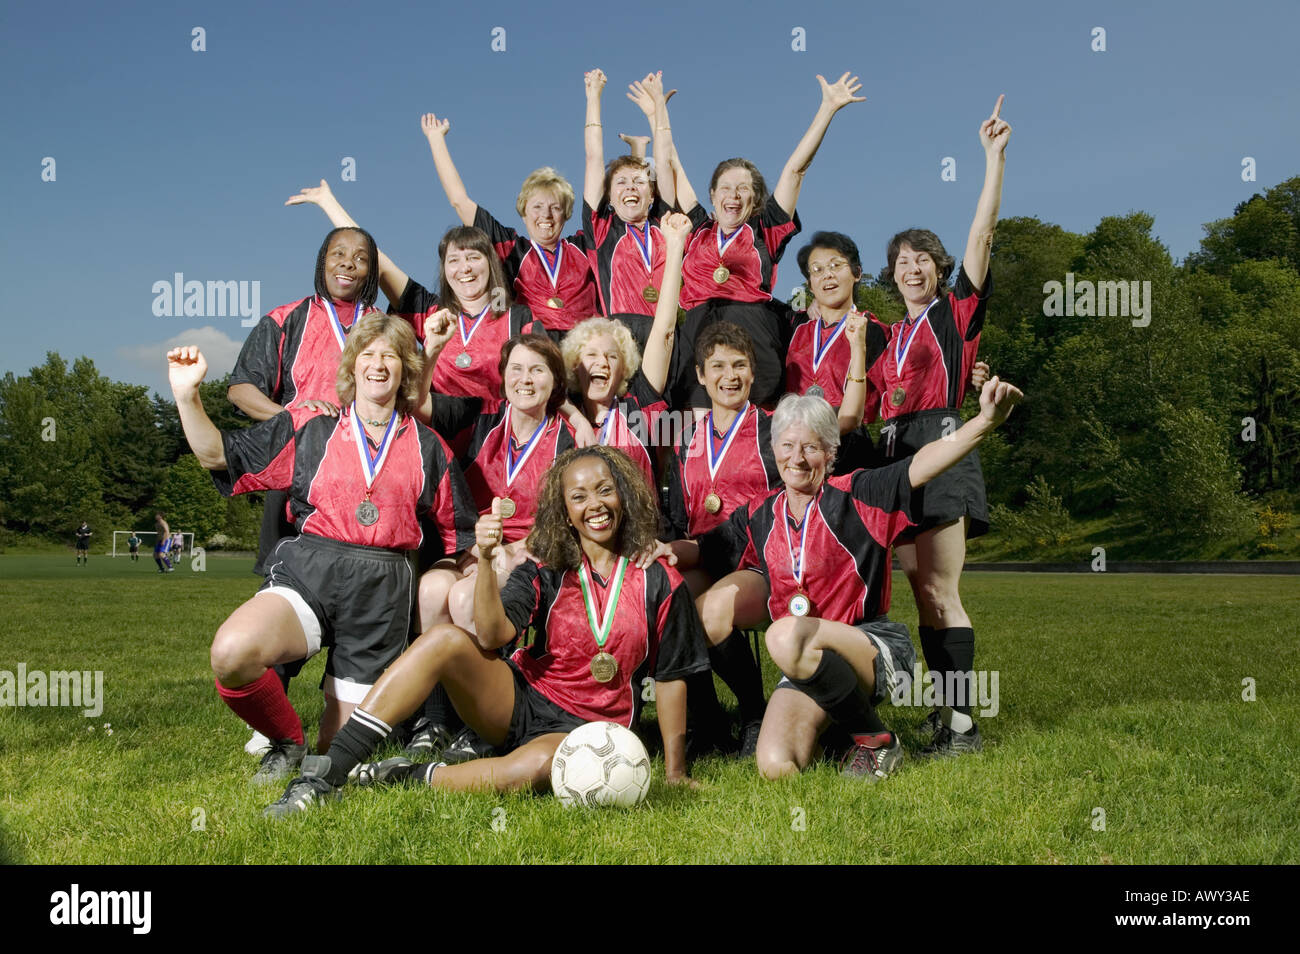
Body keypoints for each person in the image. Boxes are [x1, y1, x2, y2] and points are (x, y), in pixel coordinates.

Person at [263, 445, 708, 817]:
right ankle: (326, 772)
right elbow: (493, 635)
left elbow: (671, 678)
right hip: (523, 699)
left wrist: (674, 770)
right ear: (566, 512)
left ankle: (402, 774)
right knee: (444, 640)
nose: (594, 504)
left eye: (605, 490)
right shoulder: (545, 569)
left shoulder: (659, 581)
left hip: (590, 726)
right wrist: (491, 560)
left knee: (537, 765)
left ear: (624, 497)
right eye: (579, 496)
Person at [168, 313, 475, 785]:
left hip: (381, 589)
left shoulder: (431, 448)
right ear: (352, 367)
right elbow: (217, 455)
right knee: (232, 654)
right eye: (368, 354)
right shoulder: (308, 426)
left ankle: (336, 739)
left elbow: (462, 535)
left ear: (406, 370)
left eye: (390, 356)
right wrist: (187, 396)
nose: (378, 364)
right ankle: (288, 743)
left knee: (338, 754)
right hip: (311, 568)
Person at [694, 378, 1022, 781]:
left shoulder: (858, 493)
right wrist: (657, 552)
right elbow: (705, 549)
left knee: (782, 635)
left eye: (811, 447)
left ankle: (878, 740)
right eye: (787, 445)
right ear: (774, 449)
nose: (797, 458)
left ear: (830, 454)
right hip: (806, 660)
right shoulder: (760, 512)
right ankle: (838, 732)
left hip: (872, 647)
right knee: (776, 766)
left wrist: (983, 422)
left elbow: (922, 464)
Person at [868, 95, 1011, 756]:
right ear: (892, 274)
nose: (913, 266)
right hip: (896, 461)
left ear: (940, 267)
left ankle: (964, 724)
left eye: (923, 257)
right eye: (902, 260)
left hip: (944, 448)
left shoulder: (955, 319)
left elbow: (982, 236)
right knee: (921, 592)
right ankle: (945, 713)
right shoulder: (888, 338)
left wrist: (992, 159)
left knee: (944, 591)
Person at [669, 72, 866, 410]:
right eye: (726, 188)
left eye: (743, 188)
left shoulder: (766, 229)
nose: (734, 194)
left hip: (754, 337)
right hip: (697, 337)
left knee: (757, 436)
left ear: (755, 198)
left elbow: (795, 171)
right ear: (712, 195)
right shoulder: (697, 227)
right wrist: (659, 114)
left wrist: (827, 109)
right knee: (698, 437)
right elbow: (672, 168)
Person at [286, 180, 542, 405]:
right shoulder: (430, 312)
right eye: (453, 260)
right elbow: (378, 261)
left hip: (499, 442)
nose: (464, 268)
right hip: (438, 437)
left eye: (474, 257)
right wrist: (327, 202)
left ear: (491, 263)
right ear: (444, 270)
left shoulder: (519, 319)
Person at [421, 113, 598, 333]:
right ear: (523, 211)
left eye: (555, 207)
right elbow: (459, 201)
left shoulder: (582, 247)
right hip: (534, 353)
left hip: (584, 352)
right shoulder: (511, 248)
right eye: (537, 207)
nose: (546, 215)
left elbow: (595, 170)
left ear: (566, 214)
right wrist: (436, 139)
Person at [559, 209, 692, 491]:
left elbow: (665, 329)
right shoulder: (562, 418)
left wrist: (675, 244)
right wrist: (574, 417)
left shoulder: (640, 404)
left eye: (612, 356)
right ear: (574, 365)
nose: (603, 363)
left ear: (624, 370)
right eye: (591, 355)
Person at [577, 68, 676, 349]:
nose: (630, 187)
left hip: (667, 332)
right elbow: (594, 157)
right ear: (608, 196)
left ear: (652, 194)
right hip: (619, 337)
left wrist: (658, 108)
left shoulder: (665, 223)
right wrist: (594, 95)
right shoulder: (602, 227)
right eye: (620, 182)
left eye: (639, 182)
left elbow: (664, 161)